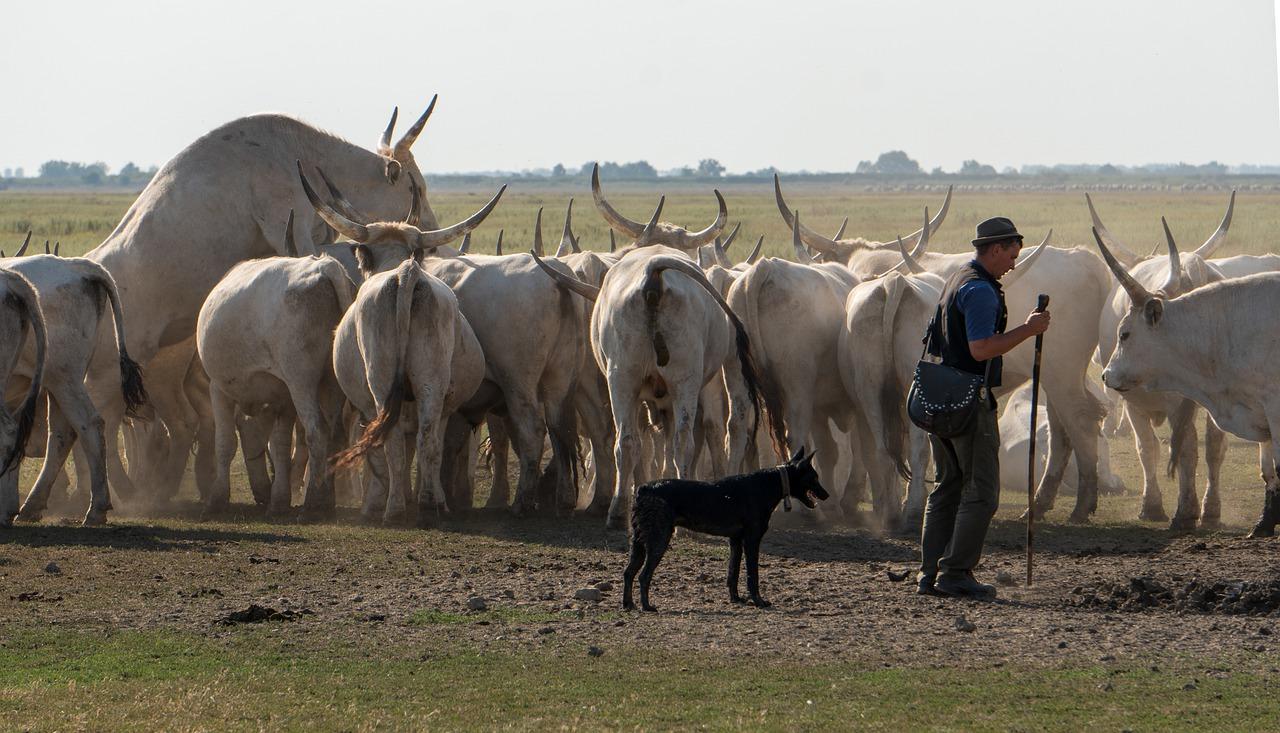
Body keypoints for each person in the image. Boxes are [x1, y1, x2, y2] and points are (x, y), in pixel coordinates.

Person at [917, 216, 1051, 599]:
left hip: (937, 397)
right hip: (967, 403)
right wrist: (1029, 330)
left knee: (947, 486)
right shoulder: (980, 292)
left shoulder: (957, 279)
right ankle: (955, 572)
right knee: (982, 492)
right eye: (1011, 254)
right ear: (995, 249)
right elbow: (980, 349)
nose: (1013, 262)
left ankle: (930, 572)